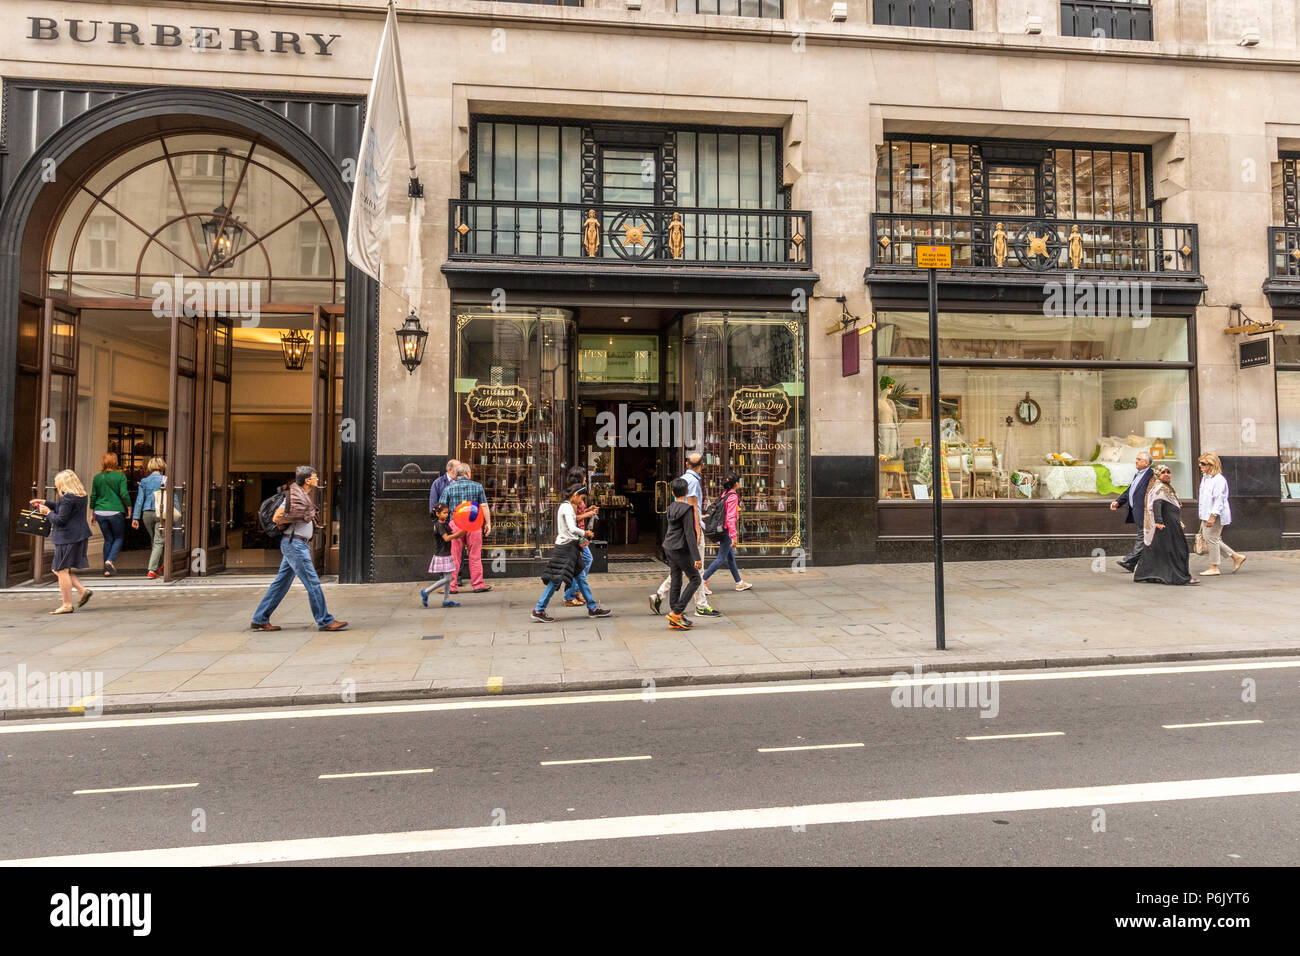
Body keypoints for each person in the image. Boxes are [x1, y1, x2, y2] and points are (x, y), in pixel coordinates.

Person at [251, 466, 348, 631]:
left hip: (295, 544)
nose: (317, 480)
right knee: (313, 583)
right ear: (307, 480)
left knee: (280, 584)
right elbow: (277, 517)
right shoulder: (294, 497)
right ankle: (325, 621)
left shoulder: (300, 495)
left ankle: (260, 618)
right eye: (315, 477)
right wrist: (297, 515)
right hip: (295, 545)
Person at [650, 452, 721, 617]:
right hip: (690, 530)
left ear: (688, 464)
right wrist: (697, 530)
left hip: (676, 537)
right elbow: (692, 508)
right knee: (698, 570)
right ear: (702, 465)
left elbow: (682, 508)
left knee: (681, 570)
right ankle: (700, 606)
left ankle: (660, 596)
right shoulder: (693, 483)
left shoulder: (682, 480)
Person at [533, 484, 606, 622]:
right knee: (555, 580)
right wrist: (585, 532)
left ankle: (593, 608)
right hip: (565, 549)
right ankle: (539, 609)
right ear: (575, 495)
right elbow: (572, 528)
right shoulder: (566, 507)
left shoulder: (567, 507)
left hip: (571, 547)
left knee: (581, 578)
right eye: (581, 498)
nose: (580, 502)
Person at [30, 469, 93, 614]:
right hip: (77, 535)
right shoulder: (80, 496)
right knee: (61, 569)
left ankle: (66, 604)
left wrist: (47, 512)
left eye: (57, 483)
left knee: (60, 570)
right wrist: (46, 502)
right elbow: (65, 509)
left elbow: (60, 519)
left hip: (67, 537)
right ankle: (82, 591)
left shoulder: (67, 498)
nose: (56, 485)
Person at [1132, 463, 1198, 586]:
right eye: (1163, 472)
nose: (1167, 474)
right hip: (1166, 526)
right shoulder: (1160, 488)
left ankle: (1150, 574)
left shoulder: (1166, 487)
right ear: (1158, 475)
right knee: (1178, 550)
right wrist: (1159, 522)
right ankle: (1180, 577)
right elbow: (1157, 504)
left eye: (1168, 472)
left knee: (1161, 550)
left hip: (1171, 524)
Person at [439, 462, 492, 594]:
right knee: (475, 556)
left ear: (456, 475)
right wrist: (488, 523)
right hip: (473, 525)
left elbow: (441, 509)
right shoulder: (477, 486)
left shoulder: (448, 489)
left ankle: (451, 586)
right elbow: (484, 506)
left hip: (455, 525)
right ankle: (478, 584)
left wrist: (441, 527)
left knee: (454, 556)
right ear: (468, 474)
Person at [701, 472, 752, 595]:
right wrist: (733, 536)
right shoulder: (733, 496)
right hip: (726, 531)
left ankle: (739, 582)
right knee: (721, 558)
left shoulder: (724, 494)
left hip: (721, 529)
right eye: (738, 481)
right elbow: (730, 518)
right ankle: (702, 581)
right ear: (735, 484)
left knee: (730, 557)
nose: (739, 483)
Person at [661, 477, 703, 630]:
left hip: (669, 547)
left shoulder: (670, 508)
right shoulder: (687, 510)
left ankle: (675, 616)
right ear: (686, 492)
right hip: (680, 549)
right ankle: (676, 611)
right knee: (695, 579)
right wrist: (696, 558)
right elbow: (689, 535)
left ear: (672, 492)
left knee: (676, 578)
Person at [562, 492, 611, 615]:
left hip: (581, 534)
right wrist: (588, 514)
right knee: (584, 562)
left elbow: (579, 513)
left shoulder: (577, 497)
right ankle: (571, 594)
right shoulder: (572, 500)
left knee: (586, 560)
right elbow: (574, 519)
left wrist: (588, 509)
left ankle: (574, 592)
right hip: (578, 535)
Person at [1197, 453, 1246, 576]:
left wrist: (1212, 516)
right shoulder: (1205, 478)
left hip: (1215, 514)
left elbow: (1219, 499)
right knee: (1211, 538)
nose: (1200, 465)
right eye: (1200, 463)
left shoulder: (1218, 480)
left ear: (1212, 465)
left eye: (1203, 463)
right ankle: (1236, 556)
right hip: (1205, 513)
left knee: (1211, 539)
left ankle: (1214, 567)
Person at [1110, 451, 1153, 572]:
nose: (1136, 461)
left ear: (1146, 462)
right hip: (1137, 512)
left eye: (1139, 459)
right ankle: (1133, 562)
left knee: (1143, 537)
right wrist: (1118, 501)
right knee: (1145, 537)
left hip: (1147, 512)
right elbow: (1130, 490)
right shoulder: (1138, 474)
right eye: (1136, 459)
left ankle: (1130, 560)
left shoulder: (1151, 475)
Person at [90, 451, 131, 576]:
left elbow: (93, 496)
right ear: (116, 462)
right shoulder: (120, 477)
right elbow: (124, 494)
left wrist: (92, 513)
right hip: (115, 511)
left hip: (100, 511)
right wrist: (129, 507)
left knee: (108, 539)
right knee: (118, 538)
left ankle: (106, 570)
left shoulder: (97, 477)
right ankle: (110, 560)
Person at [421, 501, 466, 608]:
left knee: (448, 578)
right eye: (444, 513)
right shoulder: (439, 525)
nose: (447, 515)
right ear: (437, 514)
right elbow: (446, 538)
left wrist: (463, 530)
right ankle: (426, 592)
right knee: (447, 578)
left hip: (446, 553)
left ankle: (446, 600)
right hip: (442, 555)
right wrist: (459, 534)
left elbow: (453, 534)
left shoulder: (445, 524)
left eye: (447, 513)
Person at [130, 457, 168, 578]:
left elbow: (140, 500)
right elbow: (173, 498)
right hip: (161, 513)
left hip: (146, 513)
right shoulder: (165, 479)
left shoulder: (144, 481)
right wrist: (179, 512)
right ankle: (152, 569)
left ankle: (162, 565)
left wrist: (135, 517)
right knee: (158, 541)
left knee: (156, 540)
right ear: (162, 466)